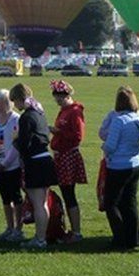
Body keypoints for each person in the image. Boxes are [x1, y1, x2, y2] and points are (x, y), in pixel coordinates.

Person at [10, 83, 58, 249]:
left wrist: (15, 141)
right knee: (43, 202)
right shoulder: (40, 113)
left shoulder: (27, 117)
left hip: (35, 162)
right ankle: (41, 236)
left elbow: (23, 144)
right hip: (46, 160)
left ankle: (40, 239)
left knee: (38, 203)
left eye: (15, 101)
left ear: (19, 99)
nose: (15, 105)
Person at [101, 87, 139, 249]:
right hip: (134, 164)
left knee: (111, 203)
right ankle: (134, 237)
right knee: (130, 203)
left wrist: (104, 147)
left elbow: (111, 145)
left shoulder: (119, 121)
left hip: (118, 165)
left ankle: (119, 237)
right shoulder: (136, 118)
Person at [49, 79, 87, 244]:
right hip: (60, 155)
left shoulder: (75, 112)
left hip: (68, 156)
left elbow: (78, 137)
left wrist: (58, 132)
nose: (57, 101)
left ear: (66, 96)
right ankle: (72, 230)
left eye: (59, 98)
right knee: (66, 194)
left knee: (69, 194)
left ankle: (77, 232)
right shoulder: (64, 110)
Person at [0, 89, 23, 242]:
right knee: (5, 198)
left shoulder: (16, 120)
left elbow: (16, 144)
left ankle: (18, 229)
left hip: (13, 166)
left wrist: (6, 163)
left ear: (6, 102)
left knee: (16, 197)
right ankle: (9, 227)